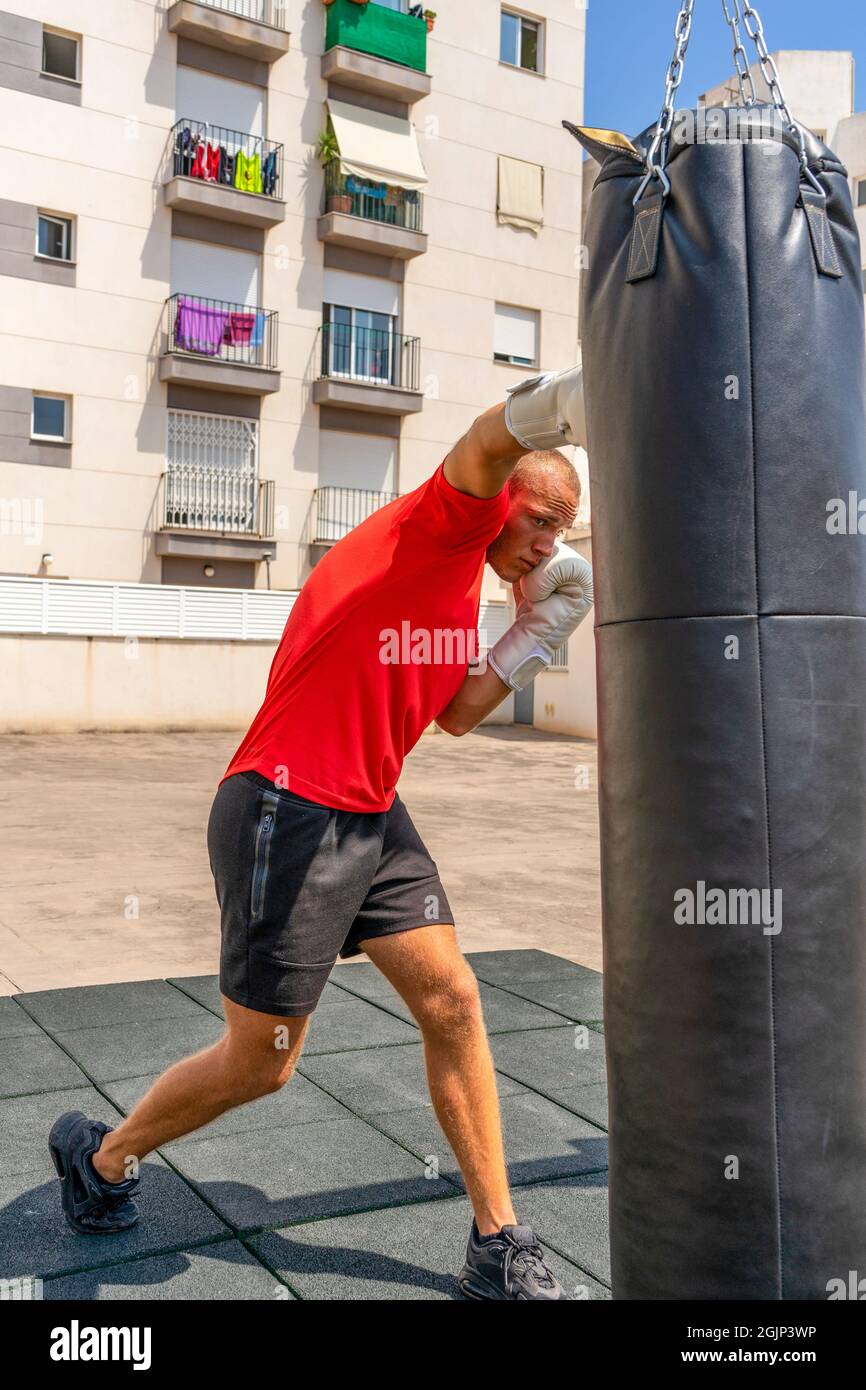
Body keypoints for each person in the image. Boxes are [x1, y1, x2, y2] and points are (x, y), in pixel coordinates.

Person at [49, 364, 593, 1301]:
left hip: (372, 812)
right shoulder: (443, 521)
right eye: (540, 520)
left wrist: (541, 629)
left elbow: (457, 713)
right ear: (497, 503)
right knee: (264, 1069)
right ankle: (104, 1159)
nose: (550, 544)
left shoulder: (459, 588)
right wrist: (593, 391)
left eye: (563, 533)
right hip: (286, 808)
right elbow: (487, 439)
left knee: (454, 1002)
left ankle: (497, 1241)